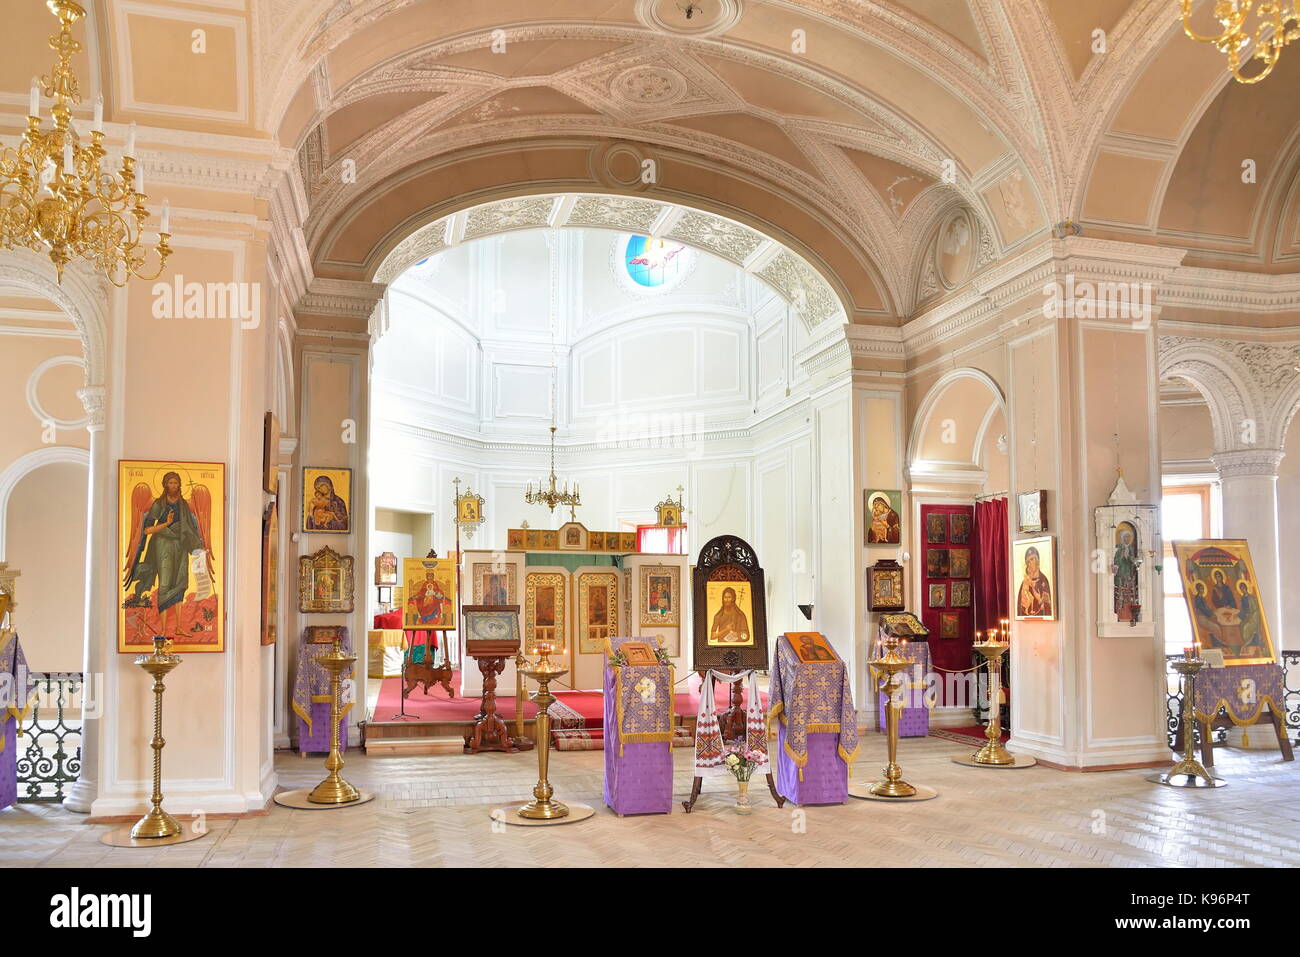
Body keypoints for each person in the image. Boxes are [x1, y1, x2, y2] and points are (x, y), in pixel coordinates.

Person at [122, 471, 212, 640]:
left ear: (179, 485)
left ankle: (178, 627)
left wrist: (200, 546)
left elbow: (192, 529)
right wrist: (167, 524)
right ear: (165, 485)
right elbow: (147, 530)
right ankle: (163, 630)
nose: (173, 486)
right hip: (162, 545)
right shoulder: (158, 504)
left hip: (180, 545)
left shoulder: (184, 505)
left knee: (180, 583)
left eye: (175, 483)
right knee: (164, 585)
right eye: (170, 483)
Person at [1016, 546, 1052, 617]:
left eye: (1032, 559)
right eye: (1028, 561)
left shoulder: (1043, 581)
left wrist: (1042, 603)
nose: (1030, 563)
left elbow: (1047, 606)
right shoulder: (1024, 583)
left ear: (1037, 561)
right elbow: (1020, 609)